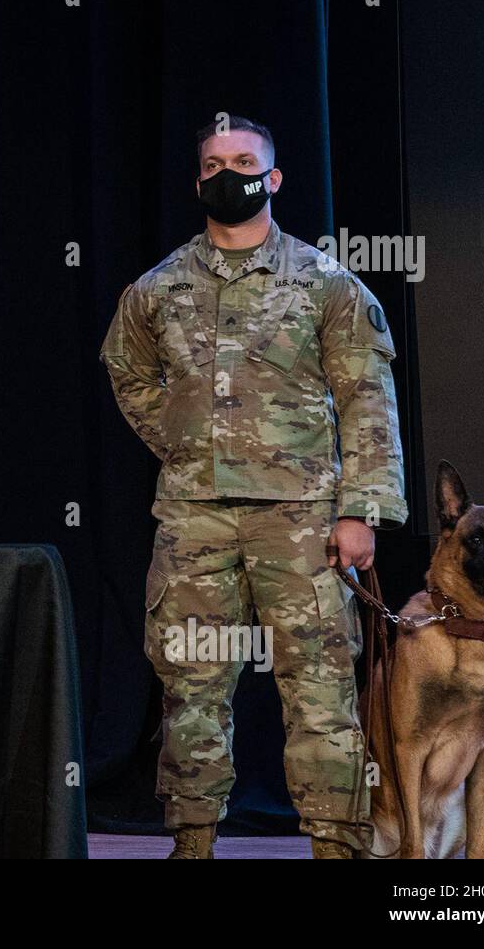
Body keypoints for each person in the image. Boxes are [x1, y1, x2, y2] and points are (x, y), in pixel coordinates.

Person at [99, 114, 407, 858]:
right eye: (213, 163)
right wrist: (181, 440)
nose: (226, 173)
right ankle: (194, 843)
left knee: (322, 691)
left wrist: (361, 510)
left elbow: (367, 396)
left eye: (243, 161)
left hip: (301, 520)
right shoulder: (157, 289)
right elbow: (128, 372)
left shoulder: (326, 284)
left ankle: (336, 843)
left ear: (272, 179)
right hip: (193, 519)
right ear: (198, 180)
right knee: (191, 689)